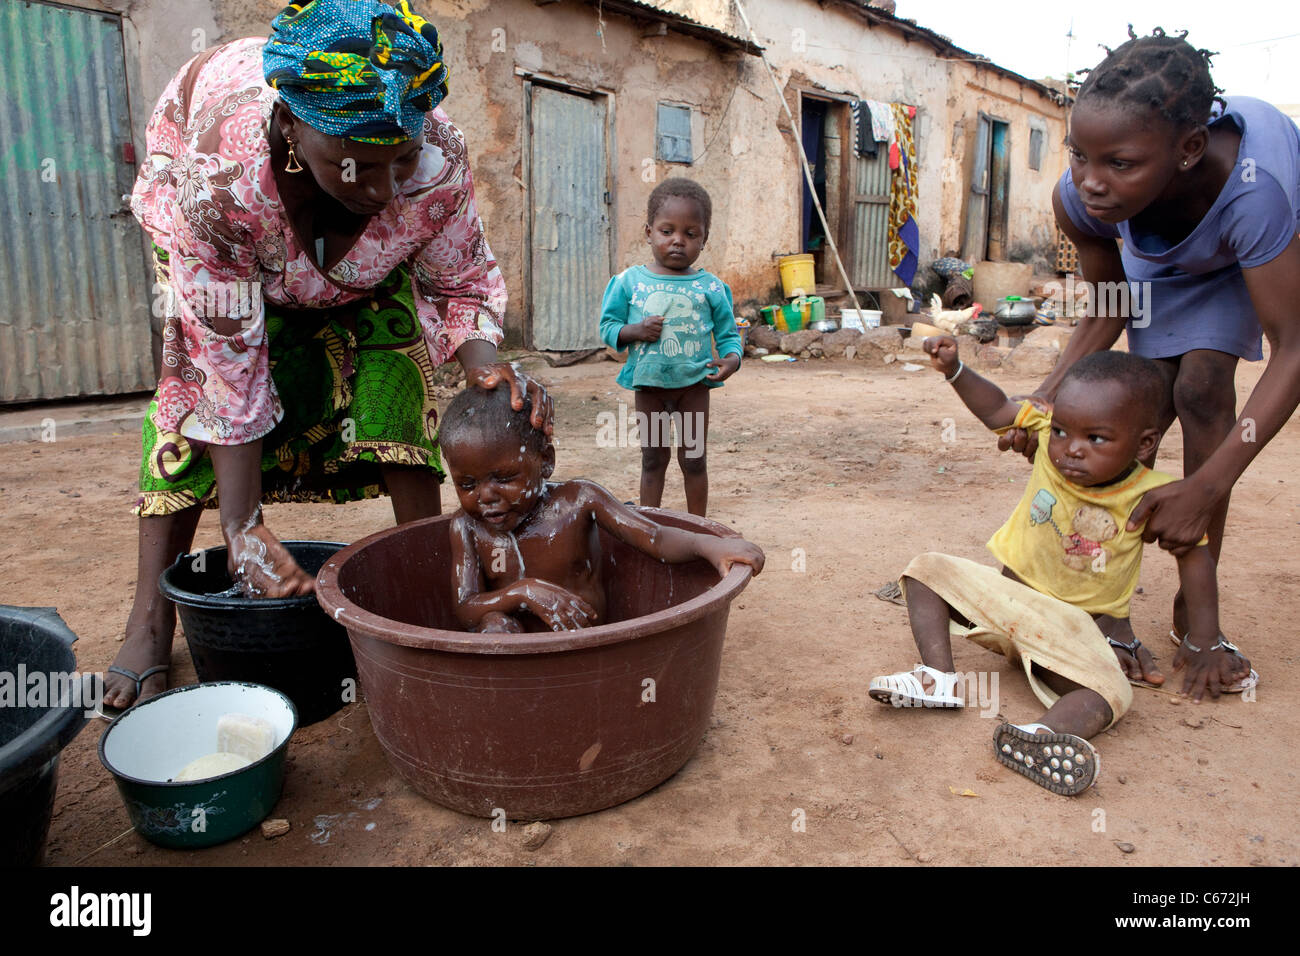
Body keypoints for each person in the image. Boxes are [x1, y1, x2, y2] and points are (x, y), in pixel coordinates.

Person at [102, 0, 552, 714]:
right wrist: (242, 527)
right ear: (290, 131)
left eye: (400, 159)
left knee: (396, 366)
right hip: (231, 239)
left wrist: (488, 366)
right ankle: (150, 620)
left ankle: (432, 585)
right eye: (359, 169)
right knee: (192, 390)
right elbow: (228, 367)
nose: (384, 191)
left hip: (360, 265)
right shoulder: (218, 189)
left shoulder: (434, 161)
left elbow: (459, 282)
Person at [1004, 27, 1300, 683]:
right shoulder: (1081, 199)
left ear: (1188, 149)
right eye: (1078, 155)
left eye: (1119, 164)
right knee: (1120, 416)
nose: (1090, 181)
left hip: (1243, 256)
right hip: (1162, 271)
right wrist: (1048, 394)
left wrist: (1208, 484)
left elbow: (1294, 348)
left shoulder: (1256, 192)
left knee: (1201, 390)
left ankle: (1200, 621)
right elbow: (1110, 304)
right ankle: (1093, 608)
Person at [869, 337, 1249, 796]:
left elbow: (1195, 559)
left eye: (1097, 438)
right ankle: (938, 679)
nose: (1071, 448)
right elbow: (997, 409)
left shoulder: (1156, 495)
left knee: (1111, 693)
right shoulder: (1049, 439)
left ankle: (1039, 738)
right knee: (925, 568)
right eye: (1064, 430)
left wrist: (1205, 641)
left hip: (1070, 632)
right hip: (1006, 603)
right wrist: (955, 369)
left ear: (1145, 443)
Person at [441, 384, 764, 633]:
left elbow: (655, 538)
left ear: (546, 462)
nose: (485, 496)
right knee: (494, 624)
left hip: (588, 652)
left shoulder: (579, 501)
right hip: (515, 667)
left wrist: (710, 545)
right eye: (467, 485)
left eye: (504, 478)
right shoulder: (467, 527)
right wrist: (522, 592)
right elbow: (466, 607)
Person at [599, 178, 742, 516]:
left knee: (694, 459)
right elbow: (608, 329)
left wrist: (732, 359)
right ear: (649, 232)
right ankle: (651, 530)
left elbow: (728, 334)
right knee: (653, 459)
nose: (678, 240)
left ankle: (699, 528)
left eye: (691, 234)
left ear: (704, 240)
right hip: (649, 388)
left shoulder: (710, 287)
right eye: (667, 231)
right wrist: (634, 330)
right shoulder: (629, 282)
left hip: (693, 387)